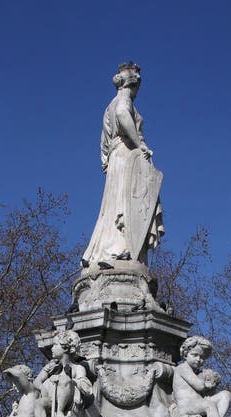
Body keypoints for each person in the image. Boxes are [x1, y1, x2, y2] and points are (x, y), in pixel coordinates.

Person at [82, 62, 164, 269]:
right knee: (124, 202)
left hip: (116, 157)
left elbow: (103, 142)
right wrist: (140, 144)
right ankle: (119, 248)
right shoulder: (123, 100)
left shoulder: (108, 105)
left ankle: (102, 250)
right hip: (127, 156)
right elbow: (122, 114)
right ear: (134, 83)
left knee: (113, 204)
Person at [172, 336, 231, 417]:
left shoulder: (197, 372)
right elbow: (199, 386)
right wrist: (207, 384)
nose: (198, 359)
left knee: (226, 394)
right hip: (186, 407)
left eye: (202, 357)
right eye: (194, 355)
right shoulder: (182, 368)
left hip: (198, 404)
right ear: (185, 354)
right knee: (208, 405)